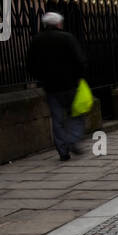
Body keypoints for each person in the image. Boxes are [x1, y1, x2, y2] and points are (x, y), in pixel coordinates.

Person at [26, 12, 88, 161]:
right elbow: (80, 60)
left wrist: (41, 78)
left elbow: (30, 64)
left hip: (51, 87)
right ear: (59, 24)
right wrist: (80, 76)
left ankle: (63, 151)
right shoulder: (67, 38)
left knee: (57, 119)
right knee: (77, 114)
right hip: (71, 84)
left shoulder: (37, 40)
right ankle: (72, 140)